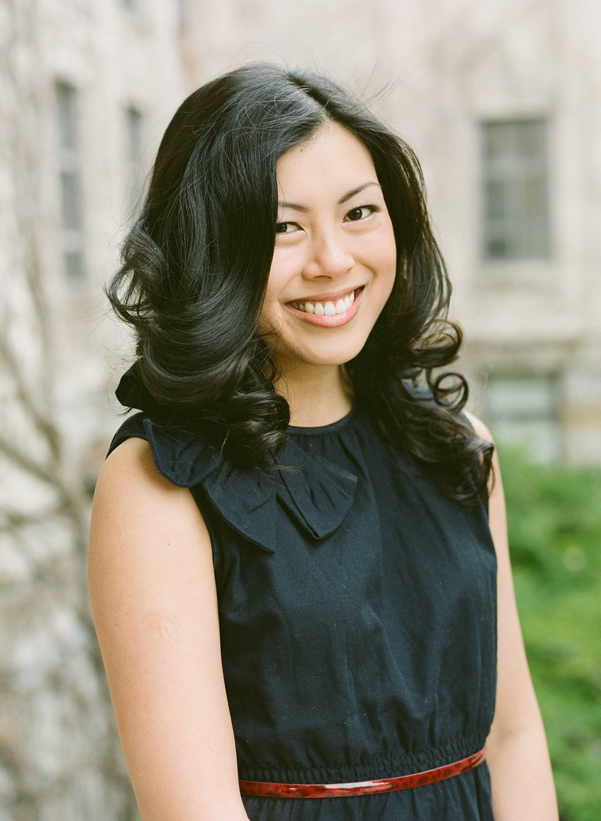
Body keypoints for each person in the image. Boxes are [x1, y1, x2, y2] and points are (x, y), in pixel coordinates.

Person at [88, 63, 558, 821]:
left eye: (359, 212)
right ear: (214, 248)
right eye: (283, 226)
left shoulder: (458, 445)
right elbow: (193, 809)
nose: (332, 260)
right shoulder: (158, 483)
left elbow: (511, 734)